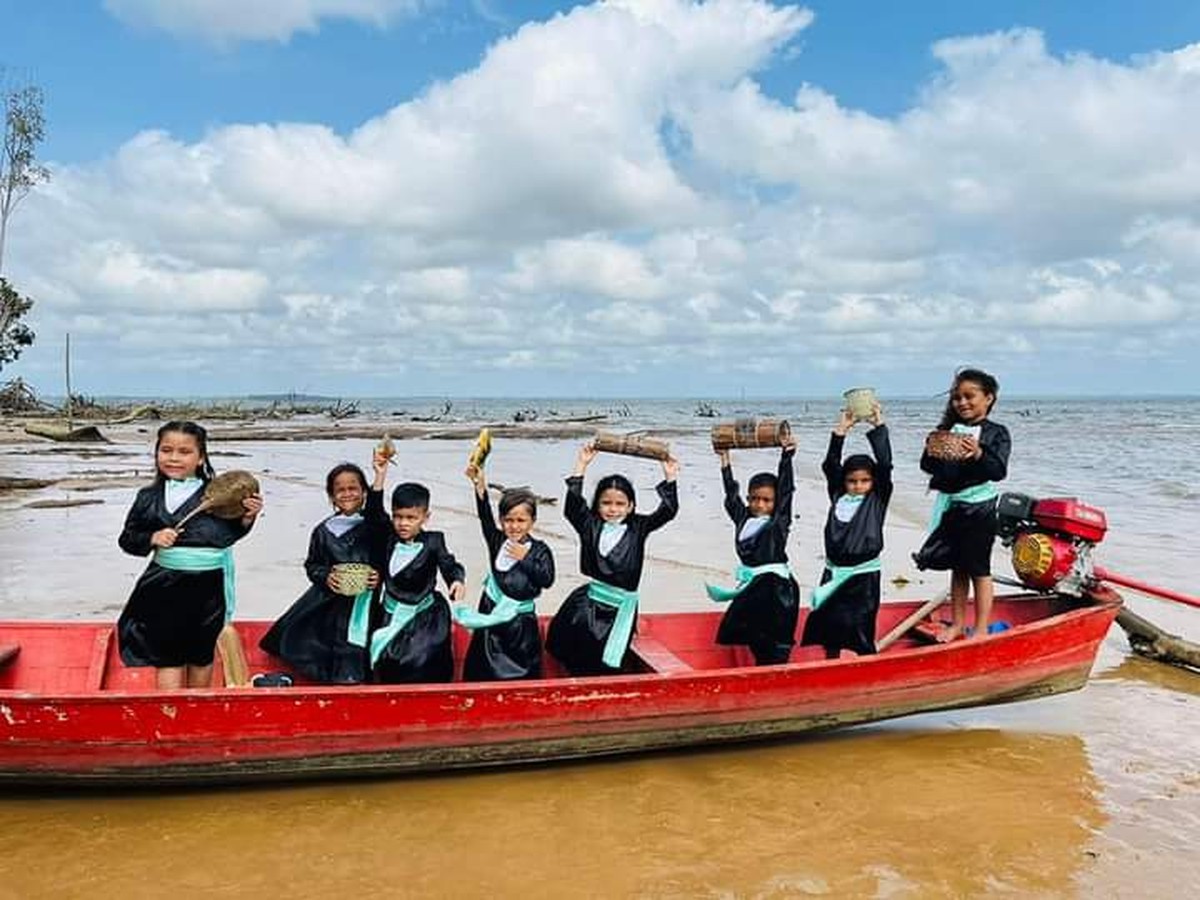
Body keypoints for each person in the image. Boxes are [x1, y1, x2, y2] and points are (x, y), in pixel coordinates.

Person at [117, 420, 263, 689]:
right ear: (157, 453)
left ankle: (197, 713)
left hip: (208, 586)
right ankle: (170, 715)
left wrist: (247, 518)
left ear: (201, 458)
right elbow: (127, 539)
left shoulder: (218, 495)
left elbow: (225, 536)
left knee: (201, 653)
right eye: (166, 450)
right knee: (167, 655)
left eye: (184, 452)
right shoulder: (148, 496)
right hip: (163, 584)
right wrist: (152, 537)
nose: (173, 458)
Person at [546, 441, 679, 675]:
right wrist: (581, 465)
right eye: (606, 503)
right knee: (575, 649)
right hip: (587, 605)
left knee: (608, 659)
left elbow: (667, 511)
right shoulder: (589, 524)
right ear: (597, 505)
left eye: (620, 504)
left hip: (620, 608)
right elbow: (573, 508)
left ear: (631, 506)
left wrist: (669, 477)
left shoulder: (639, 526)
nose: (613, 509)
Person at [913, 368, 1011, 641]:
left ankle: (979, 629)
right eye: (957, 398)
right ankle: (957, 625)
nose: (962, 403)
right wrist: (932, 447)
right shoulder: (948, 430)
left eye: (970, 396)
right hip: (953, 506)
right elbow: (928, 466)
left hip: (980, 508)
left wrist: (979, 452)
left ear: (989, 398)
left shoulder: (997, 433)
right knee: (958, 568)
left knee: (979, 569)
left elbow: (998, 470)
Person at [259, 463, 378, 683]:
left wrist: (378, 576)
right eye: (340, 490)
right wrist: (326, 576)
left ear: (364, 492)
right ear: (332, 496)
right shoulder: (323, 531)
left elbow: (389, 558)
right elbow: (312, 565)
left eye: (353, 488)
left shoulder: (376, 525)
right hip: (330, 599)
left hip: (367, 600)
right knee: (304, 636)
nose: (347, 494)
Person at [801, 402, 893, 658]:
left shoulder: (877, 499)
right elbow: (831, 465)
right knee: (829, 622)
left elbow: (885, 466)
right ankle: (831, 662)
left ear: (873, 483)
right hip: (833, 571)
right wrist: (840, 431)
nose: (858, 486)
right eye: (852, 481)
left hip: (863, 577)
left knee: (861, 625)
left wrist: (879, 426)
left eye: (864, 481)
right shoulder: (838, 495)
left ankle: (867, 666)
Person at [365, 448, 465, 682]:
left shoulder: (434, 541)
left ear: (425, 517)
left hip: (425, 615)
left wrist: (457, 581)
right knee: (387, 660)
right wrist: (380, 475)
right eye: (398, 516)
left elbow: (449, 564)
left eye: (411, 518)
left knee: (422, 660)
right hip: (392, 612)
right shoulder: (387, 537)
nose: (403, 523)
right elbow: (372, 513)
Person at [456, 462, 556, 680]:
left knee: (522, 668)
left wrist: (526, 558)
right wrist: (479, 486)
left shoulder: (539, 550)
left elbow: (547, 579)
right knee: (483, 666)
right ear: (501, 521)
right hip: (491, 613)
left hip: (520, 624)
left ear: (532, 522)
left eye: (521, 520)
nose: (514, 526)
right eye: (508, 520)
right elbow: (484, 516)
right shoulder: (497, 540)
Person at [707, 434, 799, 664]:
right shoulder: (743, 518)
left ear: (776, 502)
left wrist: (787, 456)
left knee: (775, 638)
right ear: (748, 498)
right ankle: (761, 669)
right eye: (755, 499)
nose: (760, 504)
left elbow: (787, 490)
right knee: (753, 635)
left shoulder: (779, 522)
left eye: (767, 500)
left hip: (776, 590)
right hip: (753, 587)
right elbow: (730, 497)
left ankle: (777, 672)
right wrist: (725, 462)